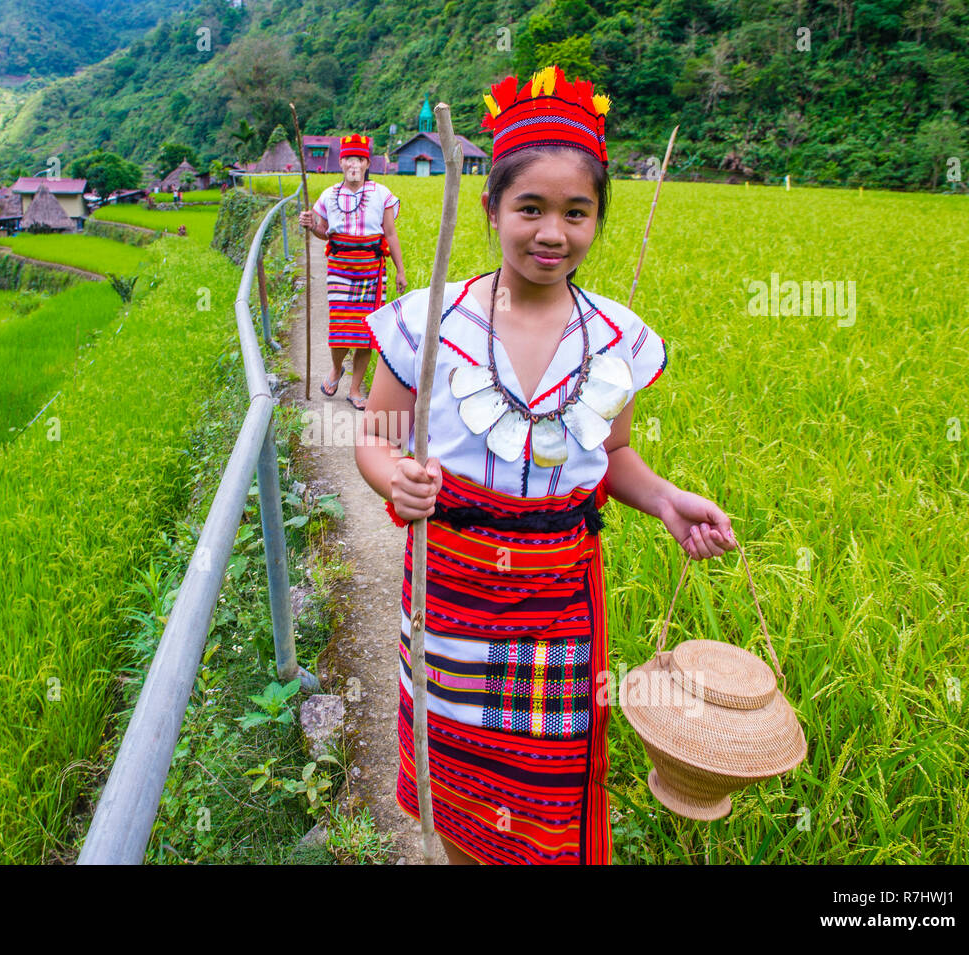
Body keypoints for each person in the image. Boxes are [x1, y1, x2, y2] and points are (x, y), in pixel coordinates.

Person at [354, 65, 738, 865]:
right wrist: (395, 477)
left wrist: (666, 500)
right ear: (492, 207)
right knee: (456, 777)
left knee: (547, 789)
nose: (551, 233)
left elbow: (617, 454)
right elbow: (375, 435)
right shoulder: (424, 319)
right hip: (451, 592)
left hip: (557, 608)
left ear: (598, 218)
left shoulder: (619, 339)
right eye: (530, 207)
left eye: (576, 212)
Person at [298, 134, 406, 410]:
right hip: (340, 268)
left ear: (367, 163)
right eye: (348, 159)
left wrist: (400, 271)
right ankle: (336, 369)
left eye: (359, 159)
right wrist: (312, 225)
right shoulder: (328, 196)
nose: (353, 164)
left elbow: (391, 235)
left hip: (371, 269)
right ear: (341, 162)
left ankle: (355, 389)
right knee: (340, 326)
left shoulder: (382, 195)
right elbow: (324, 233)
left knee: (366, 331)